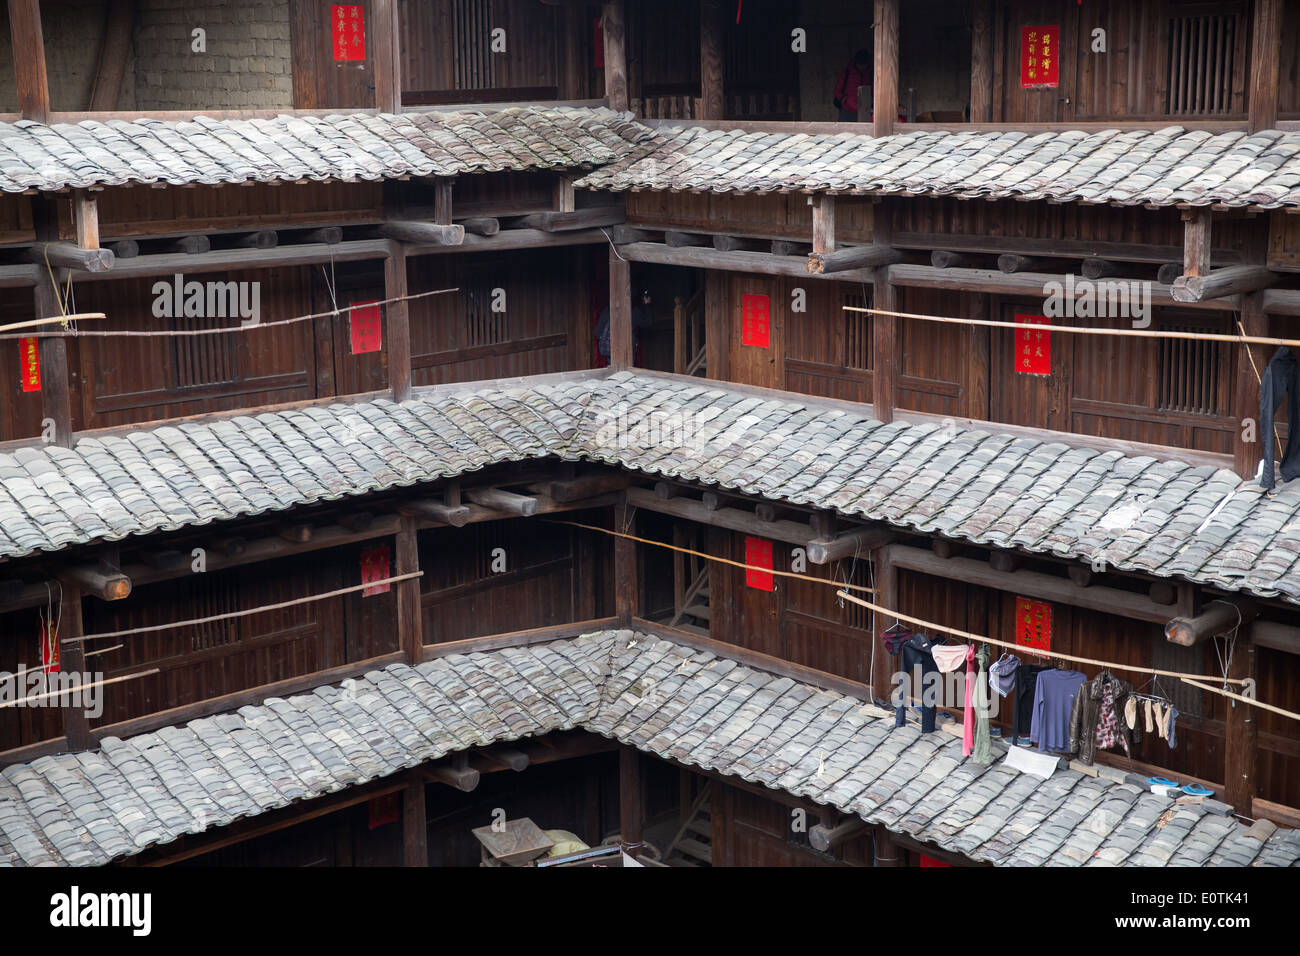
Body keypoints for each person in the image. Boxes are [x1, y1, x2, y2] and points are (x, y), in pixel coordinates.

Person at [595, 289, 653, 364]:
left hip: (612, 352)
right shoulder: (633, 311)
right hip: (627, 351)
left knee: (614, 373)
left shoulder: (608, 310)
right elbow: (648, 322)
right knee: (628, 374)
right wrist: (647, 304)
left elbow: (597, 332)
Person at [834, 49, 872, 122]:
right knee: (844, 131)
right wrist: (844, 100)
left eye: (864, 64)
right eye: (860, 64)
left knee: (864, 131)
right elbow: (837, 90)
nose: (862, 67)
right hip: (847, 109)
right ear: (856, 62)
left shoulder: (871, 73)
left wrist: (871, 102)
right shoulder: (847, 72)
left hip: (865, 109)